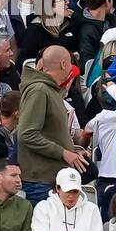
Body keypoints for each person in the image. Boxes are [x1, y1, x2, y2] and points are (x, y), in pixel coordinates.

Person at [18, 46, 90, 206]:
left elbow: (48, 133)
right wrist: (64, 152)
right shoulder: (39, 90)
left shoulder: (49, 90)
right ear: (64, 64)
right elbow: (27, 134)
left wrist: (72, 150)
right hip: (41, 182)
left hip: (52, 179)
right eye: (70, 64)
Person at [30, 167, 106, 231]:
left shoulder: (92, 209)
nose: (71, 196)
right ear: (57, 188)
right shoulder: (43, 207)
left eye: (75, 191)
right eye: (68, 191)